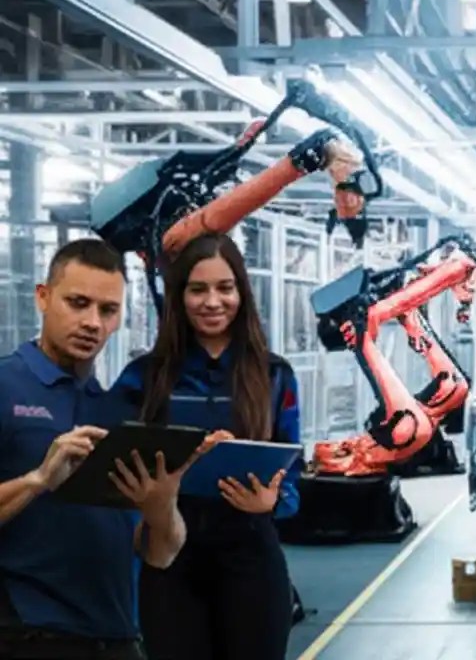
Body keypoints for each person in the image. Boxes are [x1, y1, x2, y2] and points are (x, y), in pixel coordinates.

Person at [0, 238, 199, 660]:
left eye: (107, 310)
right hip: (27, 636)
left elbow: (160, 555)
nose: (92, 322)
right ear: (43, 297)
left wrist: (161, 506)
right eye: (77, 303)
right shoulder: (6, 386)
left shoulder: (115, 408)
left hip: (118, 636)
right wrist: (37, 481)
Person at [110, 233, 303, 660]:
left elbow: (291, 467)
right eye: (197, 289)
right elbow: (112, 459)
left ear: (241, 293)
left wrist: (272, 501)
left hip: (251, 554)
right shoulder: (146, 377)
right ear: (179, 297)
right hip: (169, 554)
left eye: (224, 287)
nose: (212, 301)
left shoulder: (273, 376)